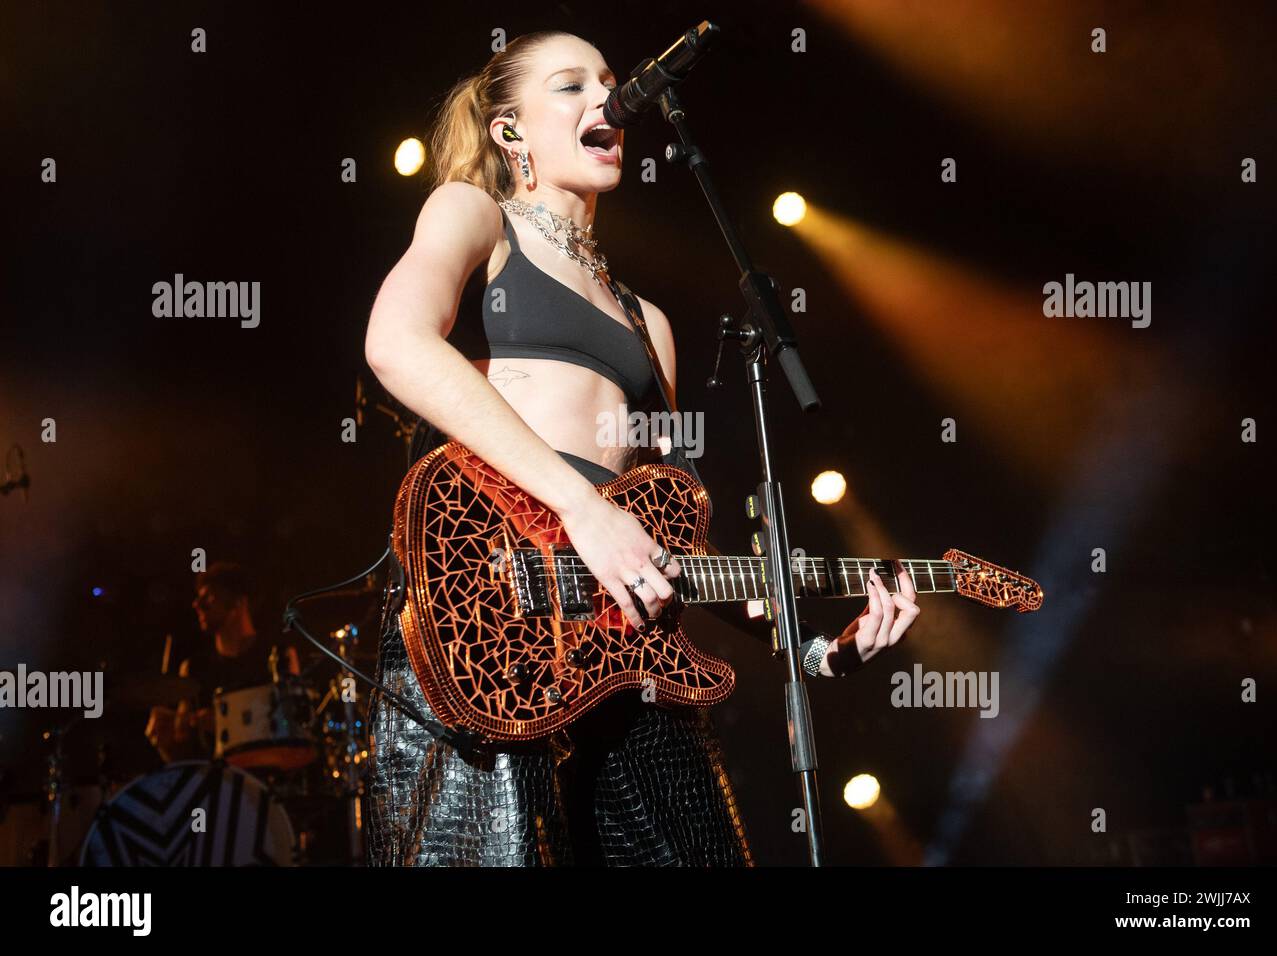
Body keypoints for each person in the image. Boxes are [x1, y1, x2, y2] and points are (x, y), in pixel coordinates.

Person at [362, 30, 920, 866]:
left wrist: (818, 649)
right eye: (570, 85)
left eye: (612, 83)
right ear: (510, 130)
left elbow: (672, 543)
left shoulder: (645, 322)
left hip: (620, 645)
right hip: (486, 608)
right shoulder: (476, 218)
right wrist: (580, 507)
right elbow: (396, 342)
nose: (606, 100)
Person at [145, 562, 300, 762]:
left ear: (238, 603)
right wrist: (165, 742)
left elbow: (293, 729)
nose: (196, 604)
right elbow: (184, 760)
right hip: (215, 788)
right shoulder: (193, 669)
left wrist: (229, 725)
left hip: (268, 782)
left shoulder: (279, 656)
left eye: (209, 597)